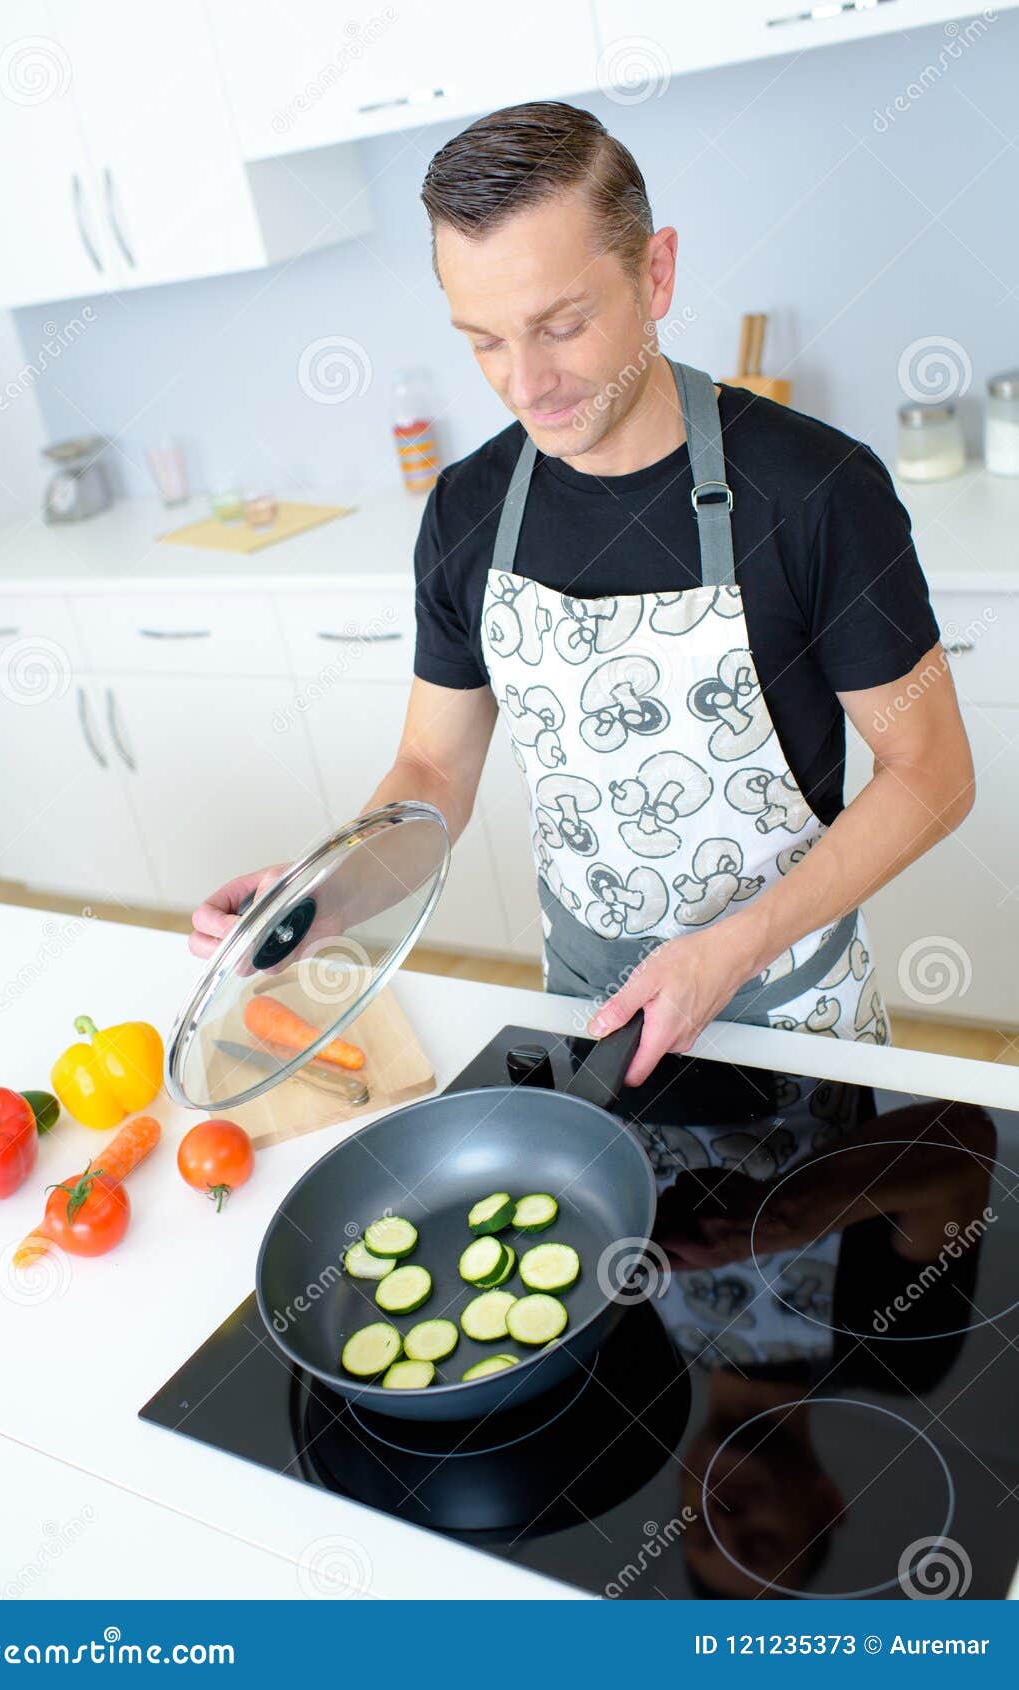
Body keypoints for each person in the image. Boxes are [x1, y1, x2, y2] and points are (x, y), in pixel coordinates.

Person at [190, 100, 974, 1086]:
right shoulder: (470, 510)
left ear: (655, 273)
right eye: (482, 340)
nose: (527, 385)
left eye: (560, 326)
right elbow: (433, 771)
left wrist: (726, 952)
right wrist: (323, 893)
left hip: (790, 1021)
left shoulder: (816, 490)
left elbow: (933, 772)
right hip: (584, 1011)